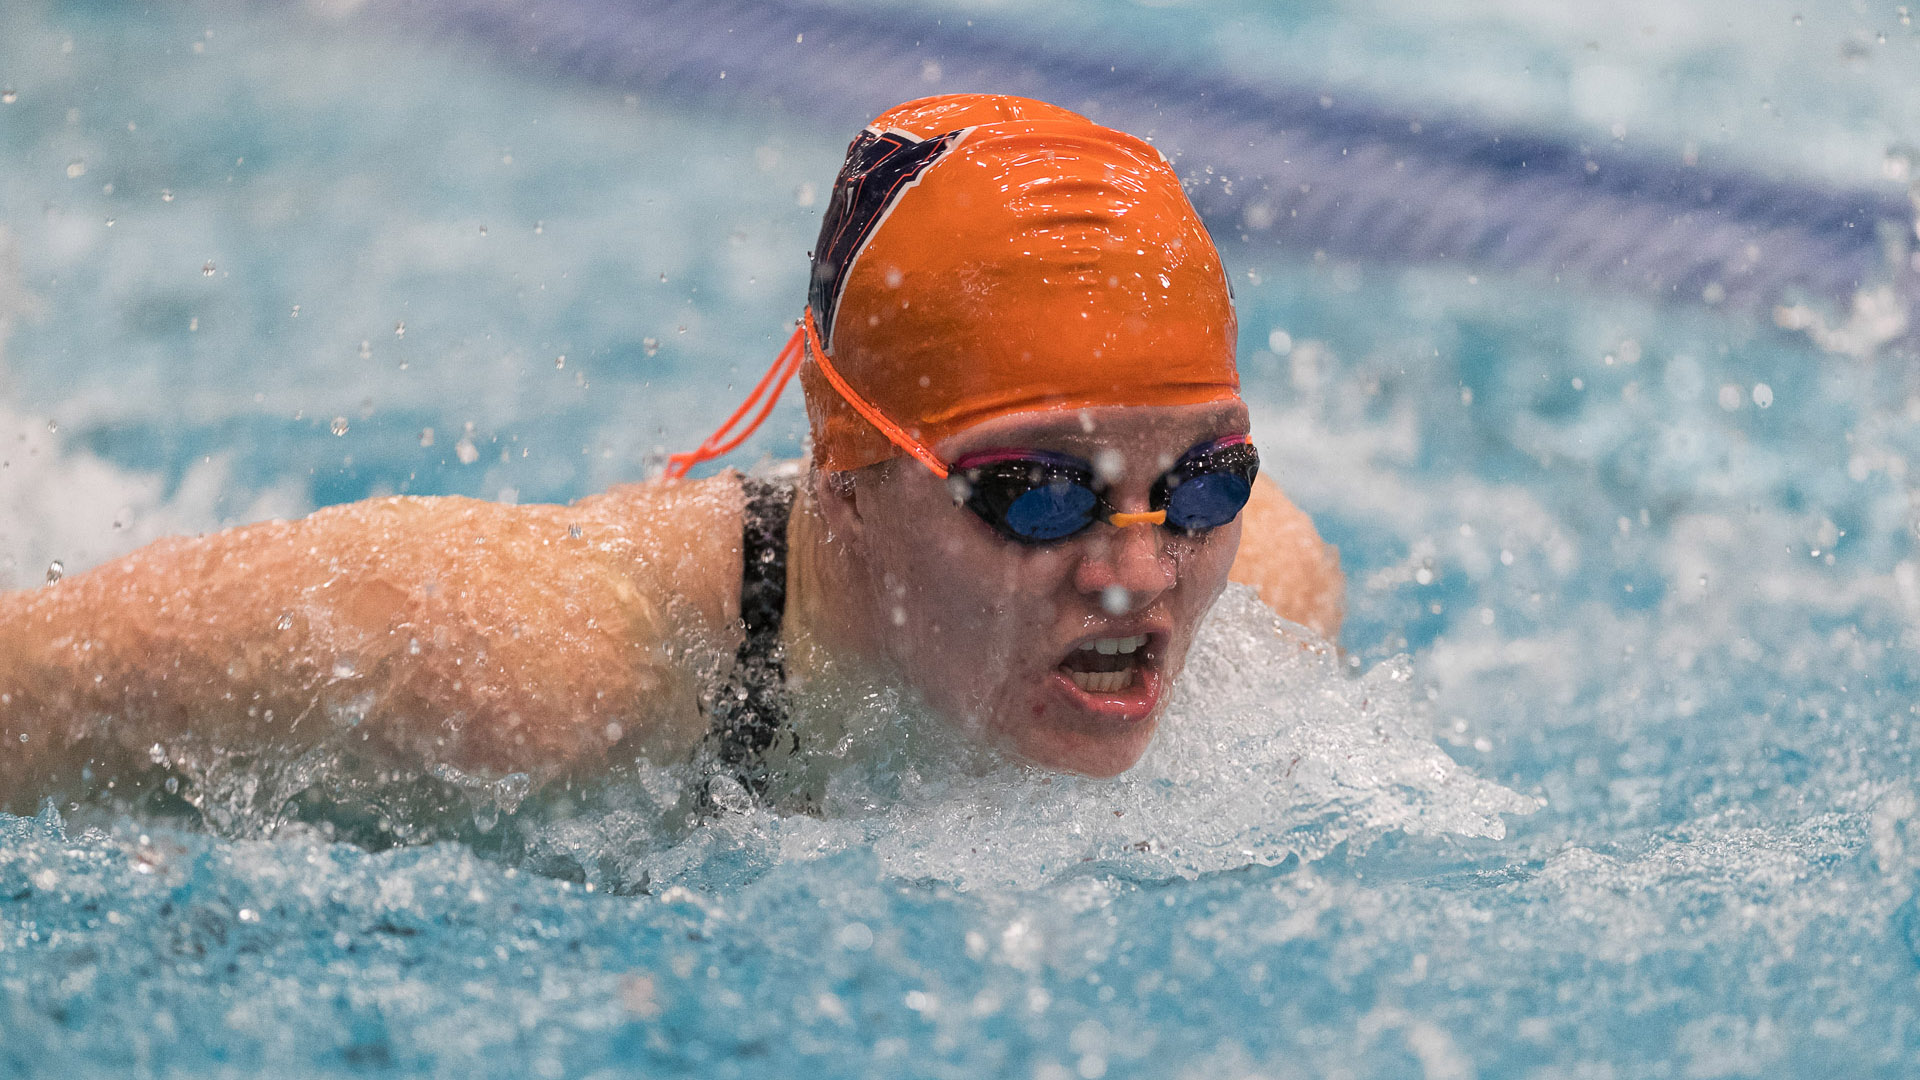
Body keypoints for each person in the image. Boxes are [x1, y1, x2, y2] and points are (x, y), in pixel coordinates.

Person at [0, 94, 1343, 816]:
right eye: (1038, 494)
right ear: (849, 479)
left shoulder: (1269, 588)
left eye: (1203, 482)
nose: (1141, 581)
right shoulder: (530, 671)